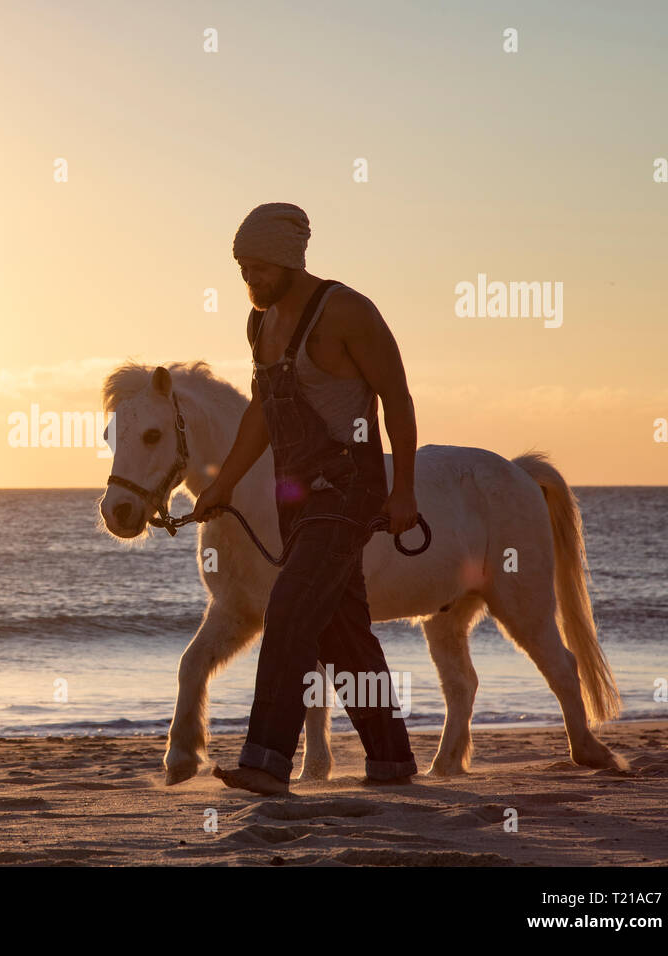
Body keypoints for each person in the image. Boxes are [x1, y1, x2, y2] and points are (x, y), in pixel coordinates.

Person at [190, 202, 420, 795]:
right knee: (343, 633)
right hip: (297, 494)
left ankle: (266, 762)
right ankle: (392, 761)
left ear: (290, 259)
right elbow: (262, 416)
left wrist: (404, 490)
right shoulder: (259, 324)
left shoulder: (346, 312)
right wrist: (221, 484)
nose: (250, 282)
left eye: (259, 269)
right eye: (242, 270)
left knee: (289, 609)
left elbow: (396, 398)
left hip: (348, 486)